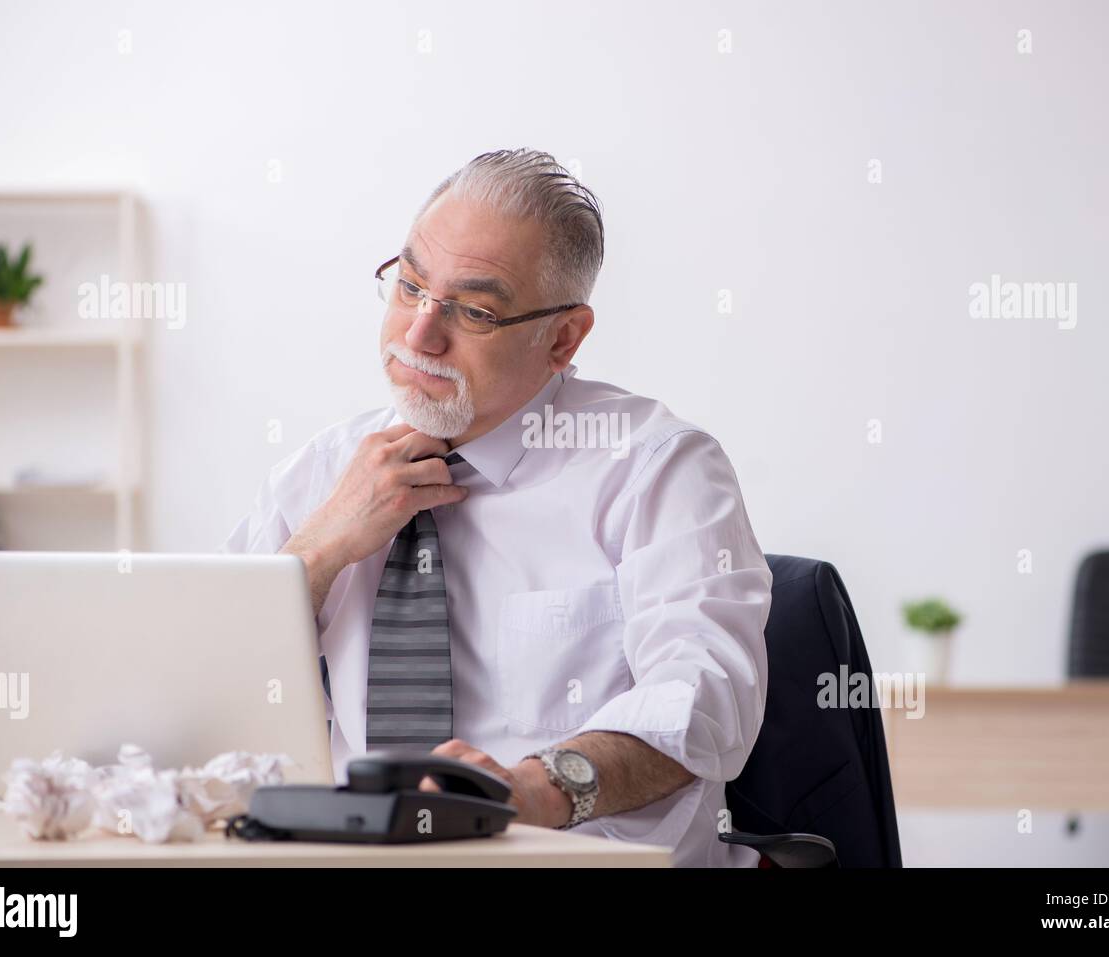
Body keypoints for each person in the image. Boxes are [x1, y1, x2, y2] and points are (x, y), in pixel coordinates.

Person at [222, 148, 773, 866]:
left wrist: (534, 791)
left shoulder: (656, 468)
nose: (419, 334)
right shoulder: (320, 473)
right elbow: (207, 692)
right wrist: (320, 548)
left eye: (475, 311)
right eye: (410, 285)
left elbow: (704, 697)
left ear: (563, 337)